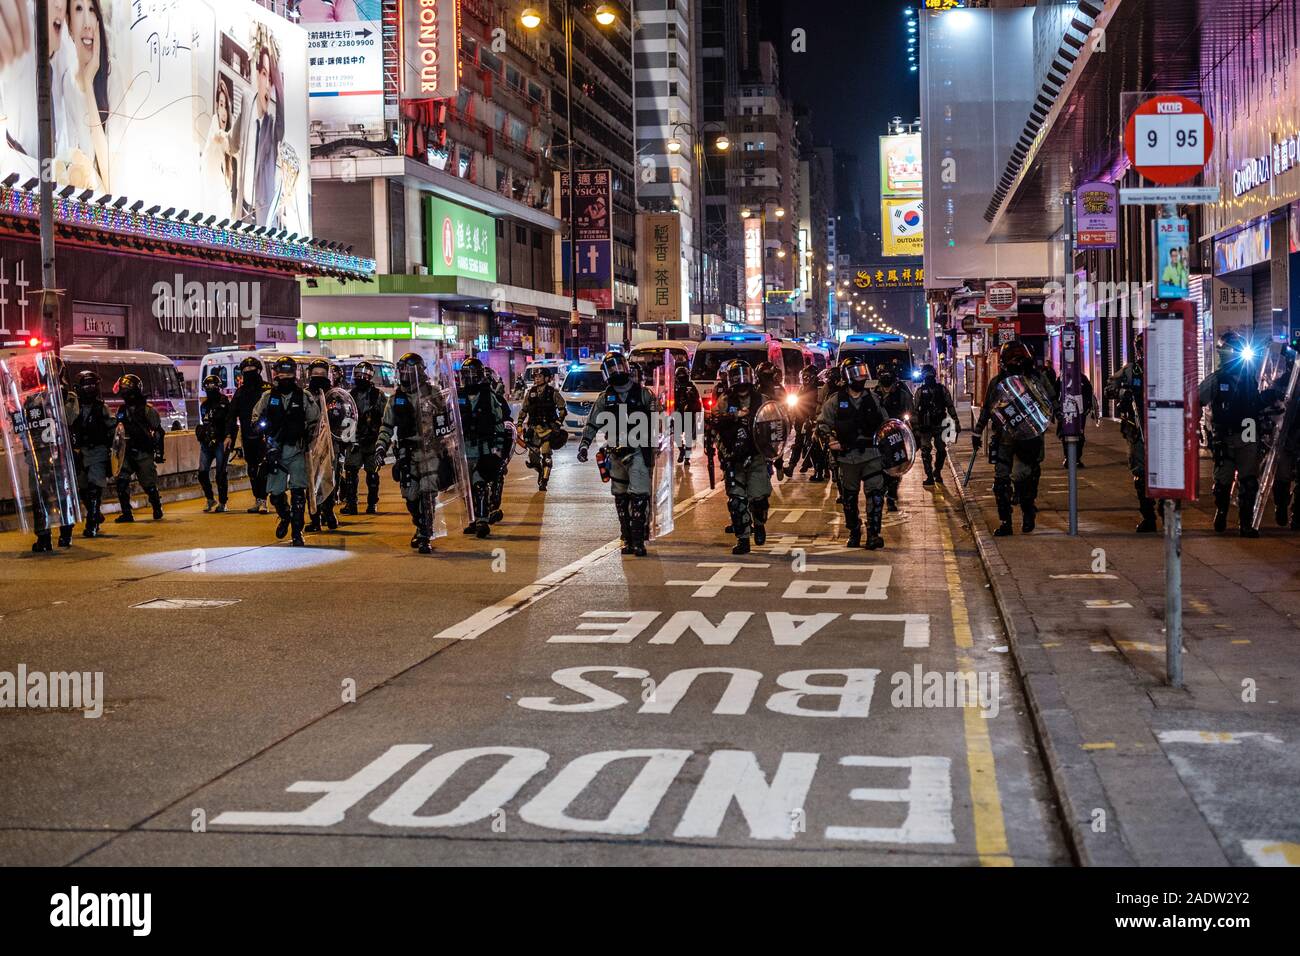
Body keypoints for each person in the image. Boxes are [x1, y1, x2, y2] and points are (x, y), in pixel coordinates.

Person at [577, 351, 659, 557]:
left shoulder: (644, 394)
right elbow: (593, 422)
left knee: (639, 496)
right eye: (610, 367)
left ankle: (639, 540)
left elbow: (659, 421)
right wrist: (584, 445)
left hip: (639, 451)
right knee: (621, 498)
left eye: (618, 365)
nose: (616, 370)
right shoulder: (605, 398)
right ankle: (626, 538)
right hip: (615, 453)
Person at [971, 340, 1056, 536]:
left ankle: (1028, 514)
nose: (1016, 362)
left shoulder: (1036, 379)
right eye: (1012, 358)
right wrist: (977, 431)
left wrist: (1064, 421)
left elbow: (1051, 400)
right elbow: (988, 409)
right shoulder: (998, 382)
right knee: (1001, 482)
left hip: (1029, 437)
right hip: (1005, 438)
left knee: (1023, 479)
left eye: (1020, 357)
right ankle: (1006, 522)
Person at [1199, 331, 1277, 537]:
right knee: (1222, 482)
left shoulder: (1249, 379)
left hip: (1248, 432)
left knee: (1249, 480)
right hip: (1224, 436)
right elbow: (1197, 399)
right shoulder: (1216, 380)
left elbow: (1254, 404)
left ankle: (1245, 523)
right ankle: (1222, 511)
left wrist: (1270, 395)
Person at [373, 353, 451, 554]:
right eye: (403, 370)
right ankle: (420, 524)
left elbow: (447, 422)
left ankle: (425, 534)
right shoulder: (396, 399)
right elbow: (386, 426)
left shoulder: (434, 394)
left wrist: (448, 447)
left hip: (430, 452)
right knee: (411, 497)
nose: (405, 374)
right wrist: (381, 446)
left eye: (409, 370)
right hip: (407, 453)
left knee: (427, 494)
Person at [819, 355, 891, 549]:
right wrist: (830, 440)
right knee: (849, 499)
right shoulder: (835, 401)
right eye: (855, 373)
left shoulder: (874, 399)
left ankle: (873, 534)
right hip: (847, 457)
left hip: (872, 455)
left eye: (862, 372)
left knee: (875, 495)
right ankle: (854, 531)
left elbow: (887, 425)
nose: (860, 377)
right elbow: (822, 424)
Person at [253, 356, 321, 546]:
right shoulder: (268, 397)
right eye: (281, 373)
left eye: (288, 373)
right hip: (276, 452)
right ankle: (285, 517)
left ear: (294, 374)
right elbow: (255, 419)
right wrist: (261, 428)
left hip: (297, 450)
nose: (285, 377)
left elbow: (316, 420)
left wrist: (309, 436)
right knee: (275, 495)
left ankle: (297, 533)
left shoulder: (304, 397)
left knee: (299, 493)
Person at [708, 360, 774, 555]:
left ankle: (759, 523)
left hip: (756, 457)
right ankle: (743, 538)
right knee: (736, 501)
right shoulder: (724, 401)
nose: (741, 381)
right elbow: (714, 423)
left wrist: (774, 455)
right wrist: (734, 416)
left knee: (759, 500)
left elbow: (775, 426)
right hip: (733, 459)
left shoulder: (762, 400)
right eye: (737, 376)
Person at [1103, 334, 1158, 533]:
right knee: (1140, 473)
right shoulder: (1131, 370)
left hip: (1161, 428)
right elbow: (1109, 388)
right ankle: (1148, 517)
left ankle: (1165, 506)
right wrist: (1121, 394)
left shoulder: (1166, 368)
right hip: (1137, 428)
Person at [457, 357, 510, 538]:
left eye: (473, 374)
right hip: (464, 450)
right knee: (466, 490)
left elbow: (499, 424)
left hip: (483, 449)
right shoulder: (456, 397)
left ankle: (482, 521)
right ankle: (474, 519)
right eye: (467, 374)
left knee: (479, 484)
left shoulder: (490, 397)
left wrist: (498, 451)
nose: (470, 378)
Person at [112, 373, 165, 523]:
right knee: (121, 483)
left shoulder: (147, 410)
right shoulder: (121, 410)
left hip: (142, 452)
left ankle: (157, 507)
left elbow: (158, 432)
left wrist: (159, 453)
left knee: (149, 484)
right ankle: (127, 513)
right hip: (125, 453)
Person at [244, 40, 285, 226]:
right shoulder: (245, 109)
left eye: (271, 81)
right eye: (265, 75)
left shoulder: (272, 126)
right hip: (241, 211)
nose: (268, 85)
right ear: (257, 74)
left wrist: (280, 86)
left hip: (263, 216)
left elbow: (282, 123)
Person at [70, 369, 113, 538]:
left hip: (98, 451)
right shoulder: (73, 406)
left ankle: (92, 524)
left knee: (95, 489)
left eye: (91, 385)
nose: (88, 389)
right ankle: (95, 514)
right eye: (85, 385)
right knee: (83, 489)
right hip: (79, 452)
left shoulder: (102, 408)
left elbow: (113, 430)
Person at [226, 357, 271, 514]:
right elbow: (232, 416)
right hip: (248, 436)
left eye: (252, 371)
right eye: (246, 372)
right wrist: (229, 436)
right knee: (252, 469)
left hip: (266, 436)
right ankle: (257, 498)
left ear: (258, 371)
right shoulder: (240, 392)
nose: (249, 374)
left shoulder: (268, 390)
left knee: (264, 468)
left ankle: (264, 499)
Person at [342, 360, 384, 514]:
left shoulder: (377, 395)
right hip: (354, 439)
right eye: (358, 375)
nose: (360, 378)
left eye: (363, 375)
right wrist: (346, 439)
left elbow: (385, 418)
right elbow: (345, 417)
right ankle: (351, 504)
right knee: (351, 472)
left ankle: (372, 503)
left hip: (372, 439)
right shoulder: (350, 395)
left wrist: (381, 439)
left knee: (372, 473)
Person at [303, 358, 340, 532]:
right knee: (311, 481)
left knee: (329, 478)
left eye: (322, 373)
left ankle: (329, 512)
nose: (318, 376)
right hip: (310, 444)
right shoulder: (305, 396)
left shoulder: (335, 395)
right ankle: (315, 517)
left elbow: (345, 417)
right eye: (315, 373)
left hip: (331, 442)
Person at [516, 365, 566, 490]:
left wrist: (558, 424)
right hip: (533, 430)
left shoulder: (553, 393)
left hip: (549, 429)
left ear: (547, 378)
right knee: (533, 457)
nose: (537, 379)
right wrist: (520, 424)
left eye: (540, 376)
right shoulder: (530, 392)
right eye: (535, 377)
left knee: (547, 456)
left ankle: (544, 480)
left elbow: (563, 410)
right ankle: (539, 470)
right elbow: (524, 410)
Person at [912, 364, 959, 486]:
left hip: (939, 424)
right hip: (925, 426)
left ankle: (937, 472)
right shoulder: (920, 392)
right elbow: (915, 411)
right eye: (927, 376)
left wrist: (956, 421)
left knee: (942, 451)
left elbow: (950, 406)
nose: (929, 378)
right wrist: (916, 428)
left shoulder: (942, 389)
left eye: (930, 376)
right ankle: (929, 476)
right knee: (925, 452)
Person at [874, 368, 914, 511]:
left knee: (896, 468)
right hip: (880, 437)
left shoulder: (902, 395)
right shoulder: (874, 395)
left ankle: (891, 496)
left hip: (897, 436)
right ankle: (883, 491)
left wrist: (913, 432)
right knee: (881, 468)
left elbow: (910, 412)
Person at [195, 374, 231, 513]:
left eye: (213, 386)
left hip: (221, 441)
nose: (210, 388)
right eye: (207, 386)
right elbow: (204, 422)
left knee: (220, 474)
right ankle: (210, 498)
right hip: (207, 443)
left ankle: (223, 502)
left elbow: (229, 422)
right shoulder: (204, 405)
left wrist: (228, 436)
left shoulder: (224, 403)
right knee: (202, 472)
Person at [786, 365, 827, 482]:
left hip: (814, 422)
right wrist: (793, 415)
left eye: (808, 377)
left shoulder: (819, 389)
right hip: (801, 420)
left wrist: (814, 420)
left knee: (814, 447)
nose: (805, 379)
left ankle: (818, 472)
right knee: (797, 443)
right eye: (803, 376)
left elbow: (821, 406)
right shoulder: (801, 389)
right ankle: (791, 466)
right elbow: (797, 402)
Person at [1058, 372, 1096, 468]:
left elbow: (1089, 392)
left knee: (1078, 435)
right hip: (1066, 412)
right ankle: (1068, 457)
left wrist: (1087, 406)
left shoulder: (1081, 378)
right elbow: (1055, 392)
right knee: (1066, 435)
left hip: (1078, 413)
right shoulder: (1061, 378)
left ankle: (1076, 458)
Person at [672, 364, 703, 466]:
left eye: (683, 376)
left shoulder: (691, 387)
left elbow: (697, 403)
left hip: (689, 414)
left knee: (689, 437)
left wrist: (690, 399)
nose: (681, 378)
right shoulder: (674, 387)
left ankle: (687, 458)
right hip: (678, 414)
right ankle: (682, 451)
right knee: (676, 436)